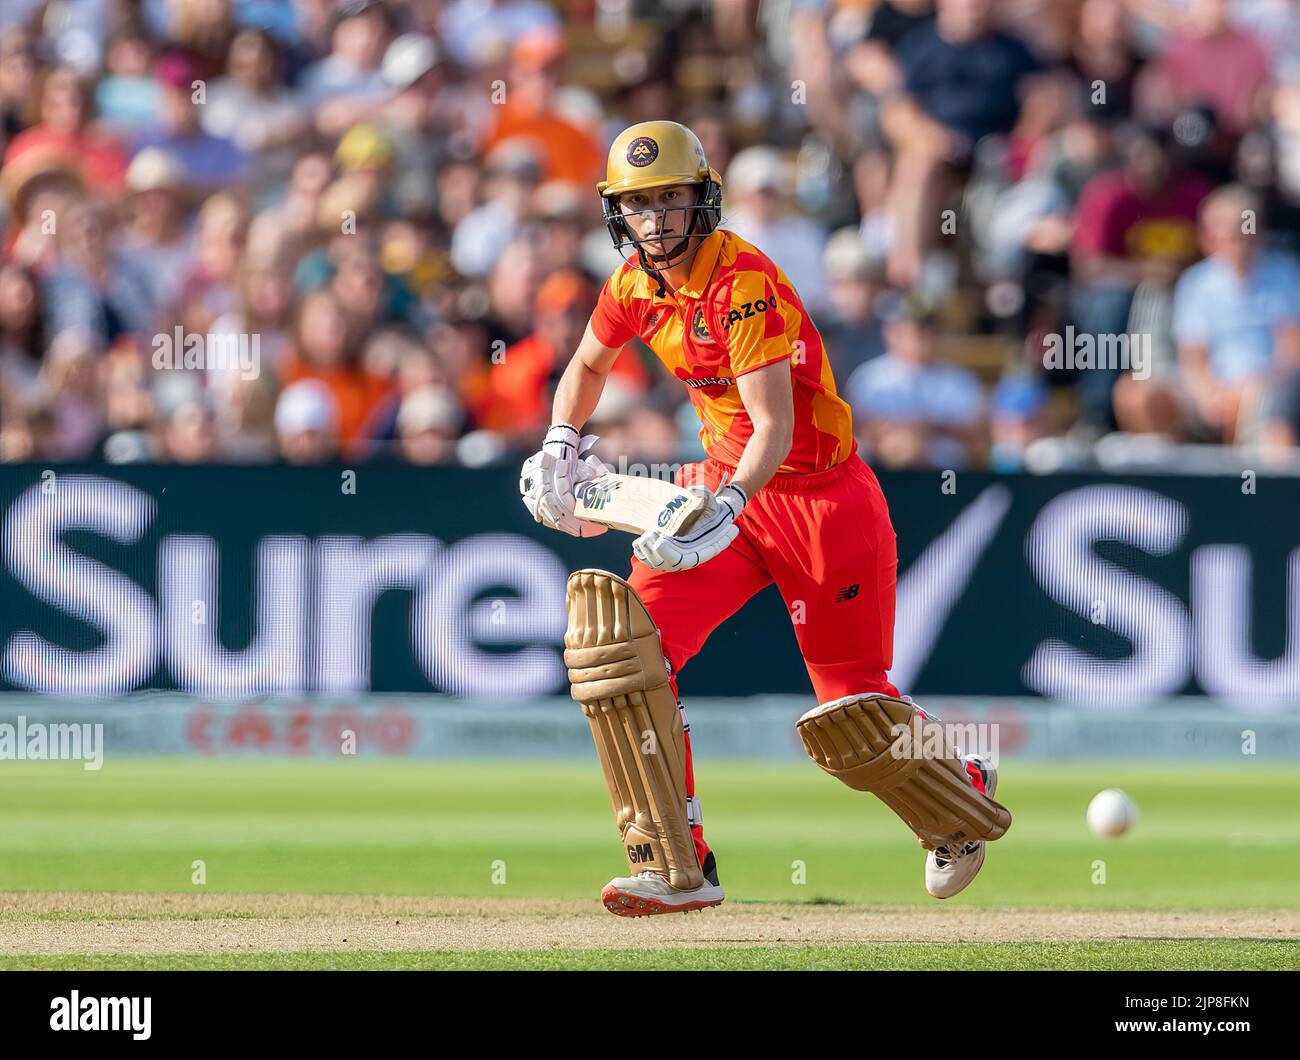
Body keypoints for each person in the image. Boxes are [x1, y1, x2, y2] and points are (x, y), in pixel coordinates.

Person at [519, 121, 1010, 917]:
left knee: (853, 713)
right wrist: (559, 443)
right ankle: (680, 865)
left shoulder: (741, 282)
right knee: (624, 652)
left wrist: (735, 504)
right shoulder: (632, 286)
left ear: (701, 200)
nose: (657, 219)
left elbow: (774, 426)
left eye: (671, 199)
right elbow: (587, 364)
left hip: (819, 500)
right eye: (639, 204)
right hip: (718, 488)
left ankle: (959, 786)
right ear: (618, 213)